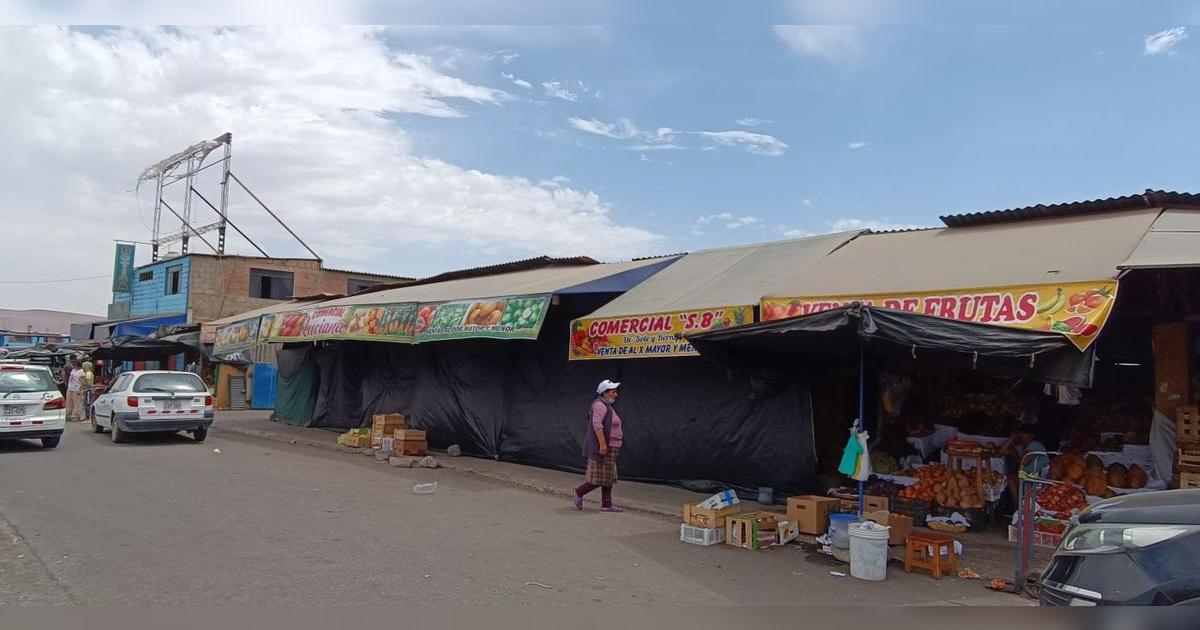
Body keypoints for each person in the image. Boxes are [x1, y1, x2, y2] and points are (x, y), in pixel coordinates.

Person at [573, 380, 624, 512]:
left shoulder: (607, 406)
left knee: (608, 476)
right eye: (613, 392)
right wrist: (602, 444)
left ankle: (607, 504)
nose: (616, 395)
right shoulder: (599, 405)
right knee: (599, 476)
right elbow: (597, 425)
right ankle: (579, 492)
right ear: (605, 393)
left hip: (612, 446)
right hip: (605, 446)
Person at [1001, 423, 1050, 504]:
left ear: (1031, 435)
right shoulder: (1023, 446)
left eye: (1023, 434)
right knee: (1008, 477)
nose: (1021, 436)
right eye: (1020, 434)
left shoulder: (1035, 444)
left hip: (1036, 475)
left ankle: (1018, 506)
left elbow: (1024, 462)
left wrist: (1015, 455)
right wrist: (1012, 439)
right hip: (1026, 474)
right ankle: (1017, 504)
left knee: (1010, 479)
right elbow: (1001, 451)